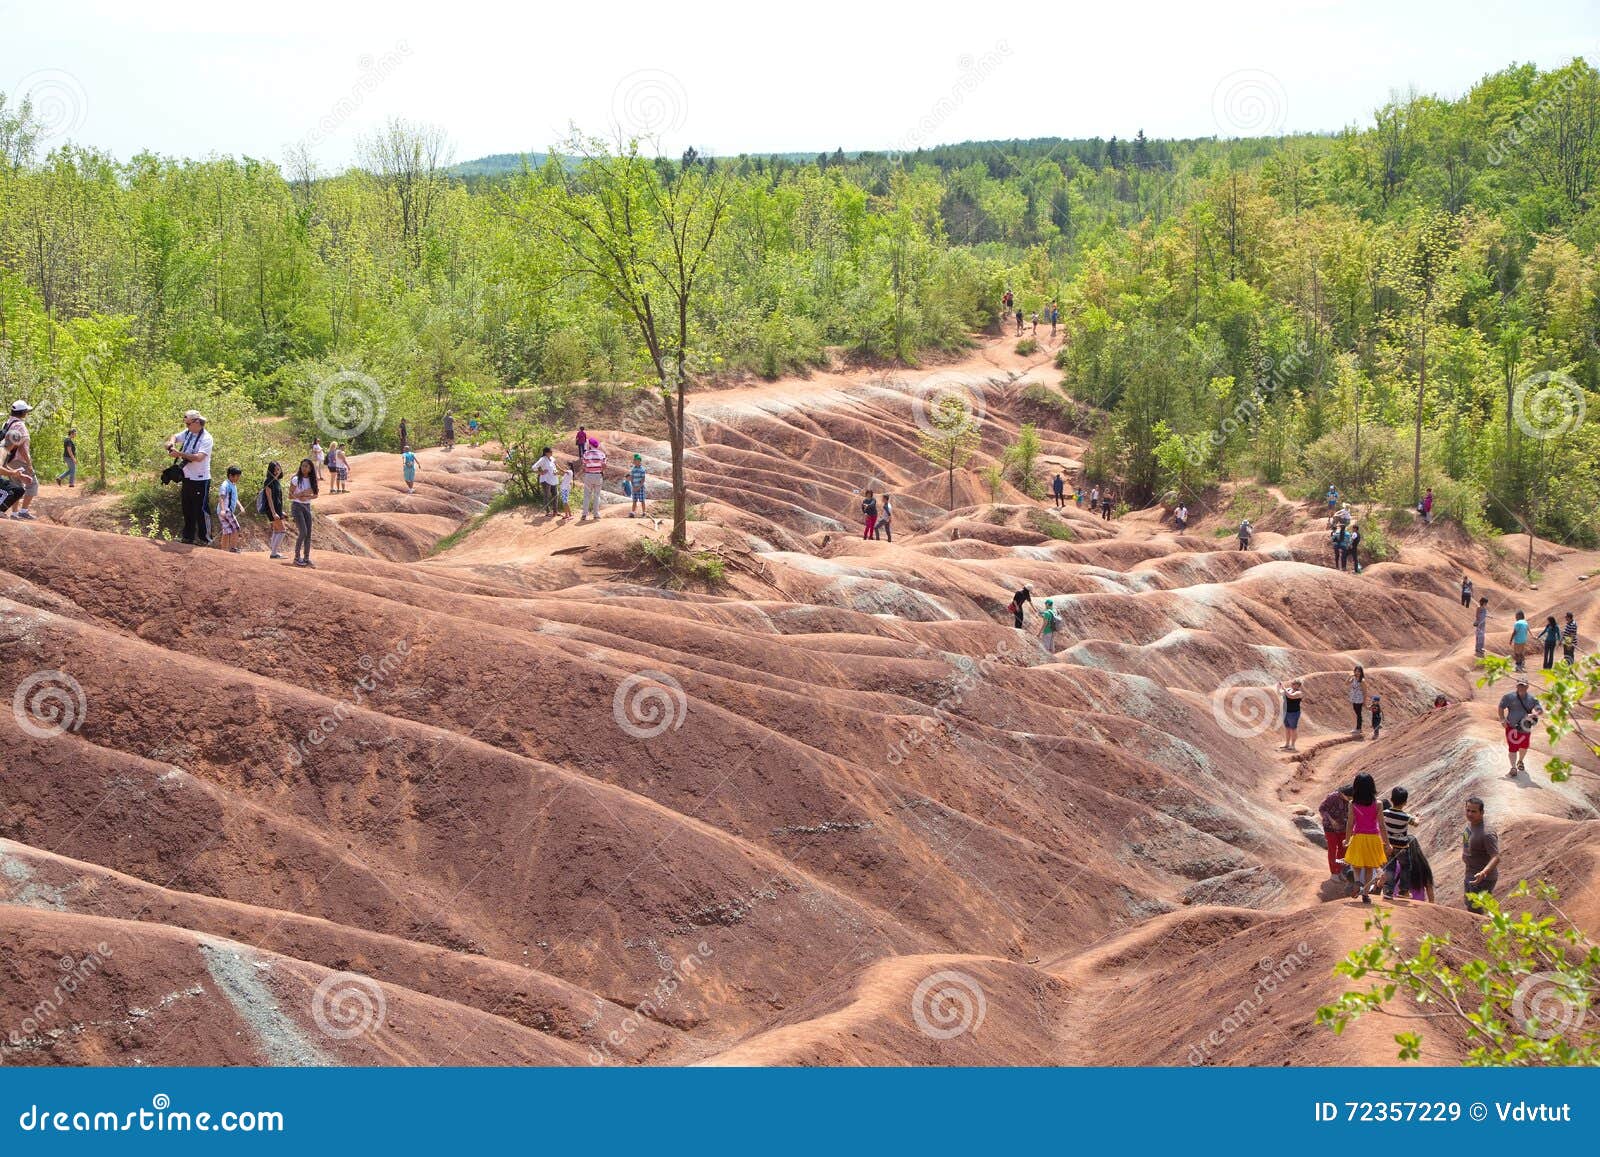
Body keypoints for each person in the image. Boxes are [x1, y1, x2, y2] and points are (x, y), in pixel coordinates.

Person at [165, 410, 214, 545]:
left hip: (201, 479)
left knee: (201, 510)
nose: (186, 427)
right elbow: (174, 436)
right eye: (186, 424)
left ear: (197, 422)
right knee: (187, 508)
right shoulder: (188, 433)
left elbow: (199, 457)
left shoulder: (206, 438)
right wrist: (171, 444)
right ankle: (188, 537)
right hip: (187, 477)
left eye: (188, 424)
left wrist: (179, 454)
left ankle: (206, 539)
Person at [1342, 773, 1391, 904]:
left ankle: (1357, 880)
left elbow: (1350, 824)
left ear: (1356, 787)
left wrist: (1347, 840)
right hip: (1373, 838)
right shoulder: (1378, 804)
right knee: (1370, 867)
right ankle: (1365, 894)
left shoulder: (1353, 804)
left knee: (1356, 864)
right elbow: (1381, 825)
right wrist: (1387, 843)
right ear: (1372, 787)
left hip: (1358, 837)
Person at [1461, 796, 1500, 913]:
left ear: (1482, 812)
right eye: (1468, 810)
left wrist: (1483, 873)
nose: (1470, 814)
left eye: (1474, 811)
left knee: (1475, 909)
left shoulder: (1487, 833)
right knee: (1470, 905)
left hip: (1483, 878)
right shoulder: (1470, 825)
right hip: (1470, 873)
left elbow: (1496, 857)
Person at [1498, 676, 1541, 777]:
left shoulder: (1532, 699)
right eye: (1519, 685)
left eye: (1523, 686)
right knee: (1512, 747)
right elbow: (1501, 707)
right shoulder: (1508, 697)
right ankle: (1513, 767)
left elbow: (1539, 709)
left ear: (1527, 687)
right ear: (1516, 686)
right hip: (1511, 726)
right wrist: (1502, 719)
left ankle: (1520, 761)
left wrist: (1534, 713)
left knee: (1524, 746)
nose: (1521, 687)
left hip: (1525, 727)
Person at [2, 400, 38, 520]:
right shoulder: (20, 426)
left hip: (8, 460)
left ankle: (14, 513)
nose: (27, 413)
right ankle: (23, 511)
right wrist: (29, 464)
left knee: (16, 486)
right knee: (32, 484)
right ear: (23, 412)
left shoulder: (7, 423)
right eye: (26, 411)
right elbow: (21, 447)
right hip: (19, 460)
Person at [1380, 785, 1413, 898]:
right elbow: (1416, 823)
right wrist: (1418, 817)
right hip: (1402, 847)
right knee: (1406, 866)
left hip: (1388, 846)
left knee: (1389, 867)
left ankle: (1388, 891)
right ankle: (1403, 890)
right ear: (1405, 802)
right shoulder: (1405, 816)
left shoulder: (1384, 813)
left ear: (1391, 799)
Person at [1318, 783, 1353, 879]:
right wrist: (1331, 820)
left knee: (1343, 848)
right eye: (1349, 797)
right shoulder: (1332, 797)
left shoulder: (1350, 801)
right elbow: (1321, 809)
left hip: (1343, 827)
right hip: (1330, 827)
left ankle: (1340, 870)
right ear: (1344, 794)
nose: (1350, 800)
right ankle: (1334, 872)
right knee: (1332, 849)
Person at [289, 458, 318, 567]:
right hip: (297, 506)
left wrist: (307, 496)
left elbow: (315, 495)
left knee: (308, 533)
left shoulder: (312, 480)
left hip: (307, 506)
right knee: (303, 532)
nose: (304, 468)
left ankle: (306, 558)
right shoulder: (296, 479)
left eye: (306, 466)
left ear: (310, 469)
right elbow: (289, 495)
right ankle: (296, 557)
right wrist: (299, 495)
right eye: (302, 466)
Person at [260, 461, 287, 559]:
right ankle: (274, 553)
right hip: (272, 510)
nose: (277, 470)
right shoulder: (268, 481)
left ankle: (274, 552)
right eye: (275, 469)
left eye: (278, 468)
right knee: (282, 530)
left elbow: (278, 498)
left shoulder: (277, 481)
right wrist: (274, 512)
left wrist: (281, 511)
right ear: (271, 469)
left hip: (277, 509)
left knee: (276, 530)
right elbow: (269, 498)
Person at [216, 465, 242, 553]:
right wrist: (223, 510)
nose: (238, 478)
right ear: (231, 476)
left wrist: (240, 506)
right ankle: (233, 548)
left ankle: (223, 550)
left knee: (227, 530)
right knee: (236, 528)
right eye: (237, 476)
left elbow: (235, 498)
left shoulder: (233, 485)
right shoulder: (225, 485)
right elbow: (221, 498)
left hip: (224, 511)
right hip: (226, 510)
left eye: (239, 476)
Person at [580, 437, 606, 522]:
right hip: (598, 475)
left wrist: (587, 470)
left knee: (587, 495)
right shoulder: (602, 454)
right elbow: (604, 466)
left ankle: (584, 514)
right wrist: (600, 471)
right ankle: (596, 514)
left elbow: (584, 465)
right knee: (596, 495)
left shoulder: (586, 454)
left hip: (588, 476)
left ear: (590, 445)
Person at [1277, 678, 1303, 751]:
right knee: (1287, 728)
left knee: (1293, 729)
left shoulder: (1299, 693)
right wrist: (1278, 687)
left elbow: (1290, 696)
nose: (1293, 685)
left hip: (1294, 713)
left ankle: (1293, 745)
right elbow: (1279, 693)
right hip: (1286, 712)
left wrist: (1284, 688)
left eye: (1295, 684)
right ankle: (1287, 744)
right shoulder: (1288, 690)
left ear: (1298, 685)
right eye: (1293, 683)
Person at [533, 446, 558, 512]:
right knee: (547, 496)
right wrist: (541, 472)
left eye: (551, 451)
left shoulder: (552, 458)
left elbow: (555, 467)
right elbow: (534, 467)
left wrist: (556, 471)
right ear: (546, 453)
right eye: (550, 451)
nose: (551, 452)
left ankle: (555, 511)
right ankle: (547, 512)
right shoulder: (543, 459)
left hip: (553, 479)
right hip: (545, 480)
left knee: (555, 495)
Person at [1347, 665, 1366, 734]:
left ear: (1361, 672)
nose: (1357, 672)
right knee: (1357, 712)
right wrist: (1349, 676)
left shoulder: (1362, 680)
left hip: (1359, 698)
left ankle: (1359, 728)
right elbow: (1346, 683)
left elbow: (1365, 691)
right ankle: (1358, 728)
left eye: (1359, 671)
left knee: (1358, 713)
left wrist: (1364, 701)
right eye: (1356, 671)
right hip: (1354, 697)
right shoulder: (1353, 678)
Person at [628, 454, 647, 519]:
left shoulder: (642, 469)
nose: (634, 462)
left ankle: (644, 512)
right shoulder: (633, 469)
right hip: (634, 487)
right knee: (634, 500)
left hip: (640, 487)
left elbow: (643, 479)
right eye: (634, 461)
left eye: (635, 461)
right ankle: (633, 512)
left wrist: (639, 487)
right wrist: (633, 486)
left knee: (642, 500)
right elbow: (632, 478)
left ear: (639, 461)